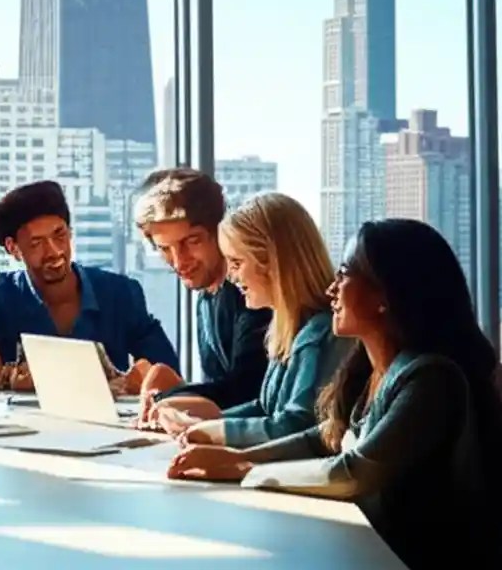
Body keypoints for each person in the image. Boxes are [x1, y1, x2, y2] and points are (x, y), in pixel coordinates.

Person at [168, 219, 502, 570]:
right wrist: (239, 457)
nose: (331, 289)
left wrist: (247, 469)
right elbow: (323, 437)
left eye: (346, 274)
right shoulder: (372, 367)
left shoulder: (430, 378)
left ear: (386, 294)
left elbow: (354, 472)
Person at [0, 181, 178, 391]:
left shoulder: (120, 294)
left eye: (59, 235)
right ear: (13, 248)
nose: (54, 251)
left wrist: (142, 378)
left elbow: (169, 370)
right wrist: (8, 376)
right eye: (37, 243)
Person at [146, 192, 350, 448]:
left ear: (273, 263)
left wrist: (214, 431)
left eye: (236, 263)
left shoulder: (320, 333)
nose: (231, 277)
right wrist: (204, 425)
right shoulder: (286, 328)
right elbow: (264, 408)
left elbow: (297, 423)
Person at [132, 168, 272, 416]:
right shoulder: (207, 295)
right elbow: (221, 389)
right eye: (165, 248)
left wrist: (170, 394)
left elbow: (246, 393)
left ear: (220, 230)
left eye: (191, 241)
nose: (179, 261)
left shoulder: (251, 293)